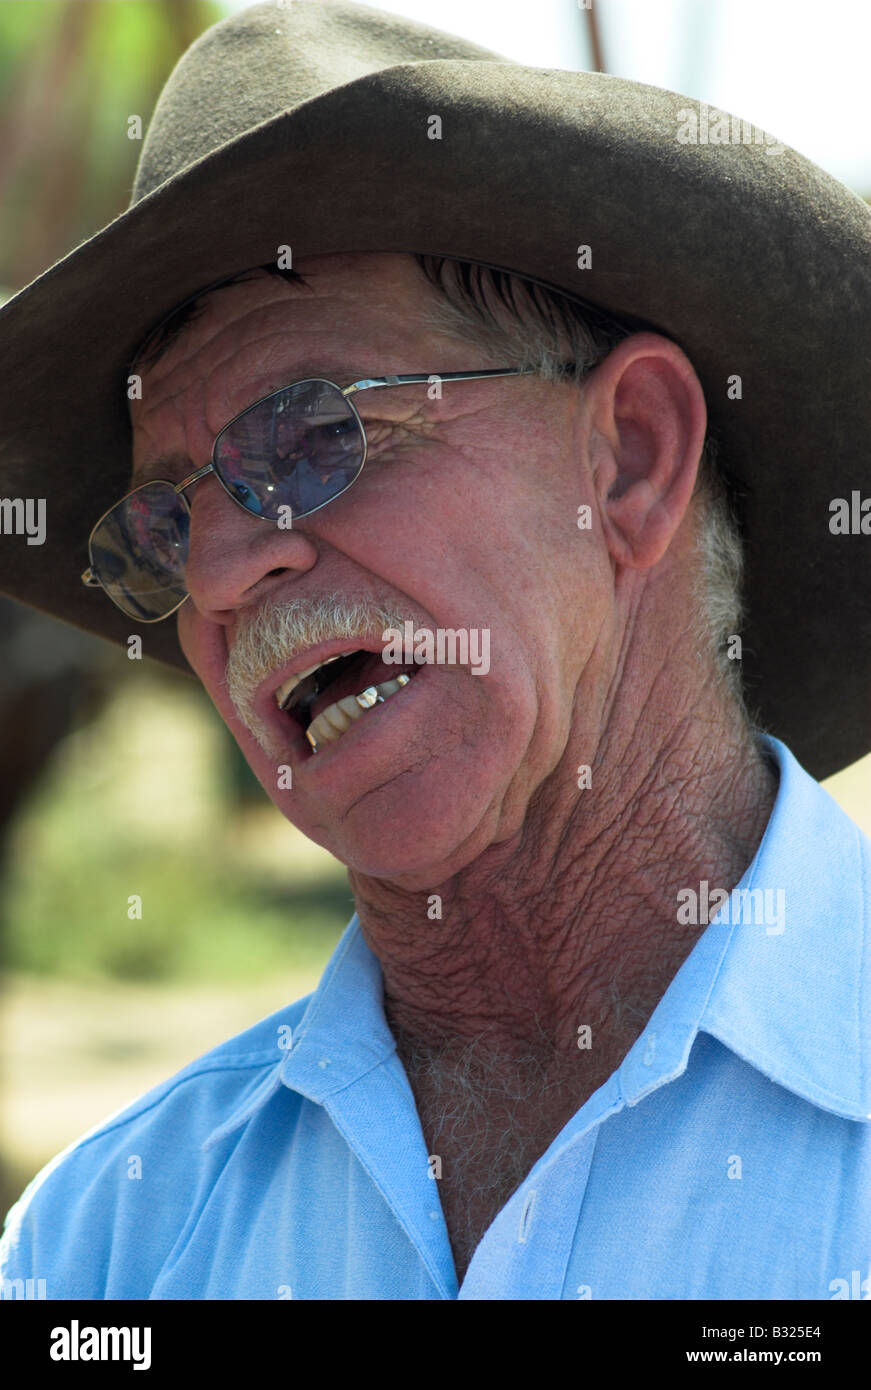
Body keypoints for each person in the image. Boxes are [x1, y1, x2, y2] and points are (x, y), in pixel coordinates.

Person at [0, 0, 869, 1300]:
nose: (224, 574)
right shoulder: (107, 1250)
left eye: (307, 437)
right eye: (162, 527)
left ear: (628, 457)